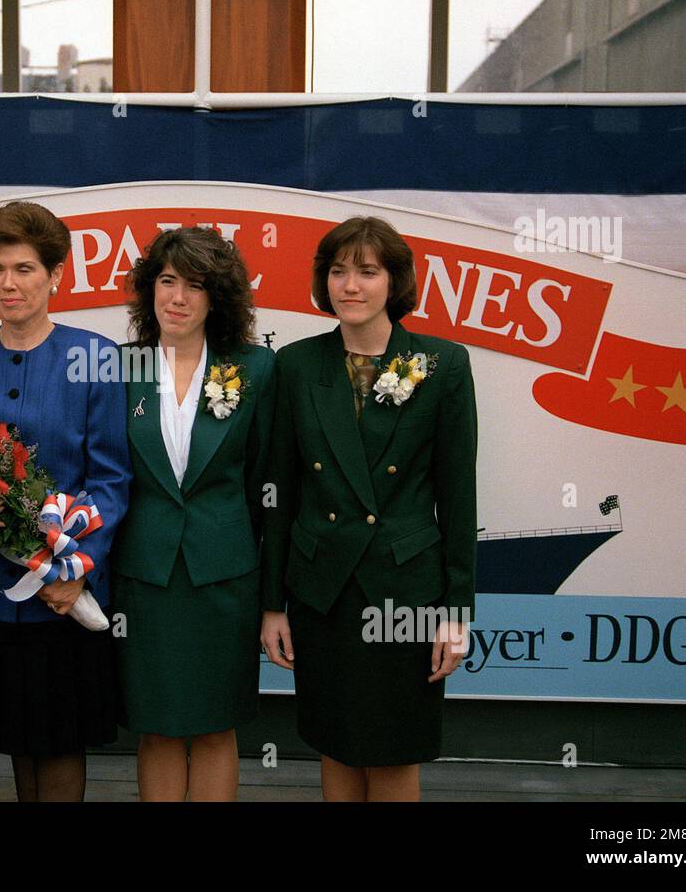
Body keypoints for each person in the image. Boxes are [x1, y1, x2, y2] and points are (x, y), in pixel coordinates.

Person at [259, 216, 477, 802]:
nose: (349, 285)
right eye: (337, 271)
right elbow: (279, 496)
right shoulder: (297, 365)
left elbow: (458, 498)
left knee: (394, 749)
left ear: (395, 281)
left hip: (404, 592)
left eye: (367, 271)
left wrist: (457, 612)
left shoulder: (442, 364)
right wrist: (271, 605)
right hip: (321, 589)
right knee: (336, 744)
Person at [0, 200, 131, 802]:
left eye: (23, 268)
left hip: (64, 595)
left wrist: (76, 570)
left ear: (55, 274)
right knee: (18, 736)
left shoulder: (95, 356)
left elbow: (112, 478)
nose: (8, 284)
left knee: (61, 738)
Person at [110, 227, 275, 801]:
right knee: (155, 727)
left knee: (213, 728)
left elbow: (264, 489)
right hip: (145, 578)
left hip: (223, 579)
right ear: (149, 288)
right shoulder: (119, 367)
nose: (177, 297)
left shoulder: (255, 369)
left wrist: (271, 598)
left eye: (195, 285)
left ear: (216, 298)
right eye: (167, 281)